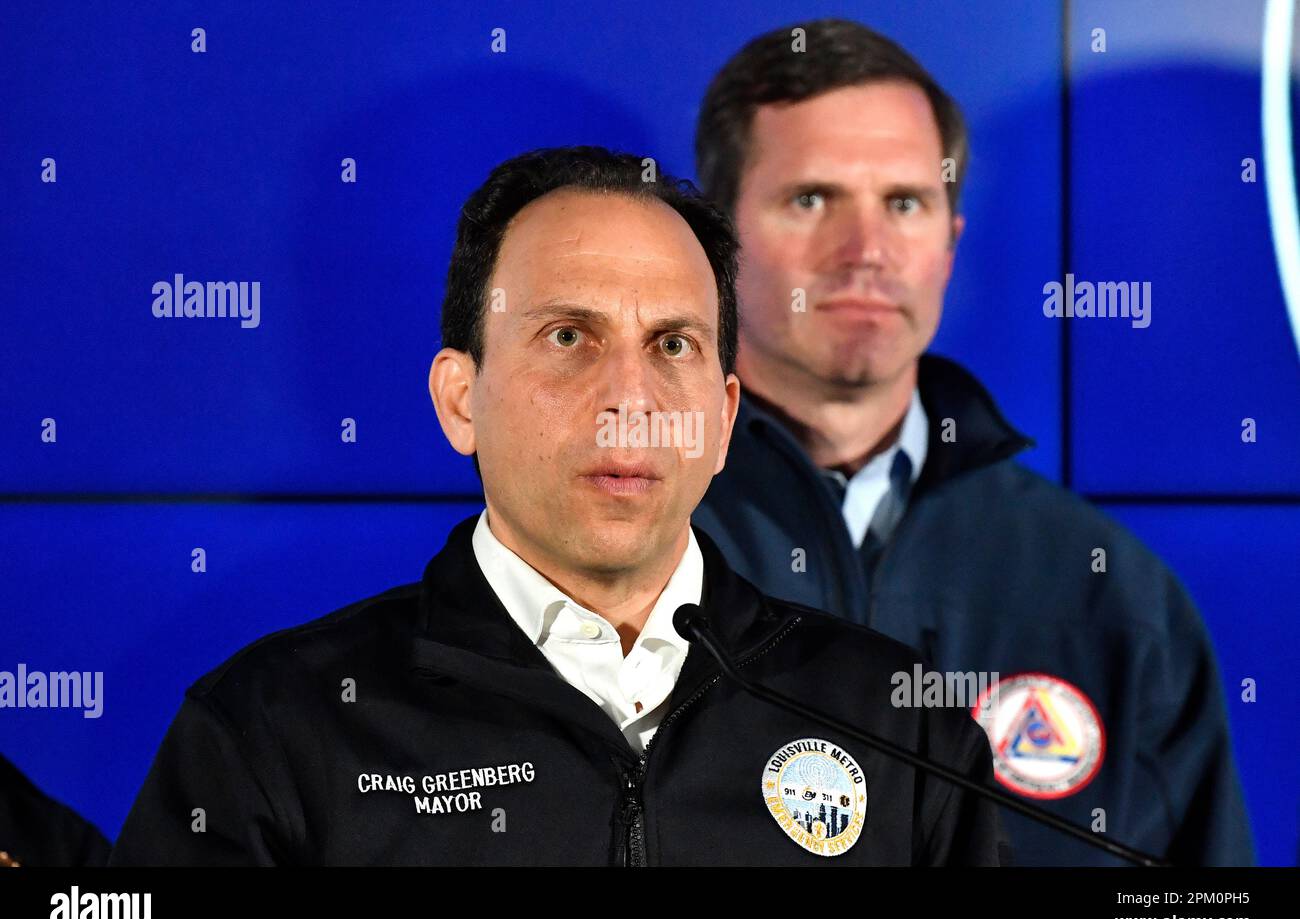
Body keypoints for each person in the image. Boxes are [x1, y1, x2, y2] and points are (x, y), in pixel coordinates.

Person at [108, 146, 1007, 866]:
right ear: (462, 399)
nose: (629, 397)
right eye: (570, 336)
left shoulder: (897, 726)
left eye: (672, 344)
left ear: (724, 418)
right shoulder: (275, 731)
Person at [690, 18, 1253, 865]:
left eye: (905, 203)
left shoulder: (1108, 593)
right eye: (811, 199)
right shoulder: (613, 547)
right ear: (717, 241)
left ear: (951, 241)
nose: (866, 252)